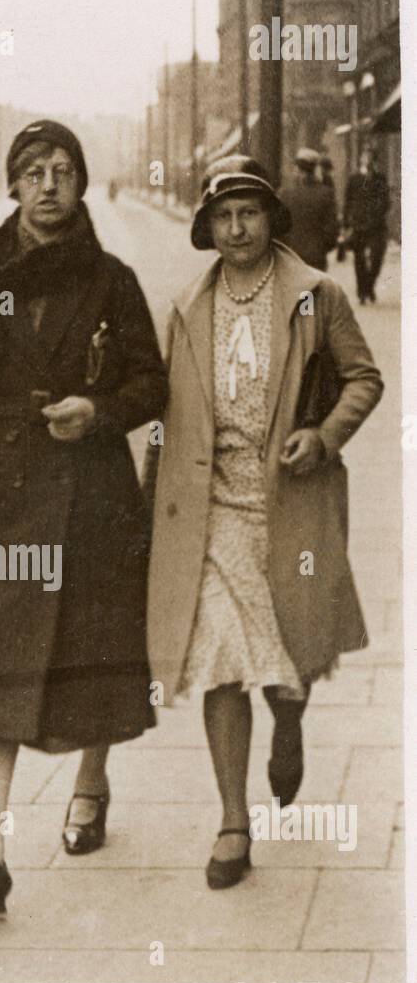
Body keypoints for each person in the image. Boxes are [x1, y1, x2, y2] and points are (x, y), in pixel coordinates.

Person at [0, 119, 167, 914]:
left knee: (92, 652)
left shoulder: (113, 282)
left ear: (80, 185)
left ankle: (90, 784)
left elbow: (152, 385)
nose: (48, 184)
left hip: (89, 492)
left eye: (62, 170)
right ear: (13, 187)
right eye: (33, 172)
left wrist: (101, 408)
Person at [142, 155, 382, 889]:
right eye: (223, 215)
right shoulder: (185, 307)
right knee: (218, 659)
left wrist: (324, 436)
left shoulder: (316, 295)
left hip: (289, 503)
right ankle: (230, 821)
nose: (237, 227)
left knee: (288, 650)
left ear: (270, 218)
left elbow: (363, 378)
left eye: (248, 212)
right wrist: (150, 497)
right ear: (206, 227)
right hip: (209, 512)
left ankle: (288, 721)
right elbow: (164, 417)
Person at [278, 147, 338, 269]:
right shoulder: (326, 194)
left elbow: (278, 228)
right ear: (314, 169)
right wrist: (321, 248)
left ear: (297, 169)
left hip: (290, 259)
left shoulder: (284, 194)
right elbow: (332, 232)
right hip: (316, 259)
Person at [344, 145, 390, 304]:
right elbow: (348, 201)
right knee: (359, 259)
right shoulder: (354, 179)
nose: (367, 159)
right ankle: (362, 291)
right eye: (364, 156)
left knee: (377, 257)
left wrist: (377, 214)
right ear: (361, 159)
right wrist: (345, 224)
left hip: (376, 225)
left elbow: (385, 201)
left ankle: (369, 285)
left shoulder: (380, 179)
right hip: (358, 225)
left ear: (374, 160)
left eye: (370, 156)